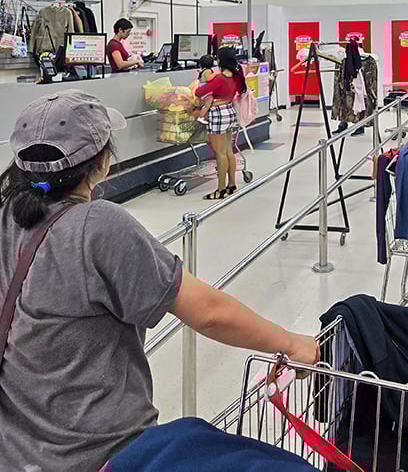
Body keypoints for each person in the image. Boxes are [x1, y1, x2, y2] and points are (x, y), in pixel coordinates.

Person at [0, 90, 319, 471]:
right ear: (103, 163)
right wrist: (291, 343)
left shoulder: (7, 216)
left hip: (17, 450)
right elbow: (209, 312)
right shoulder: (97, 226)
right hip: (97, 451)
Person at [195, 47, 247, 199]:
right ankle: (232, 185)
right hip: (230, 112)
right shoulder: (236, 77)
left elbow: (199, 92)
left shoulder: (219, 78)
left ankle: (221, 189)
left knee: (220, 154)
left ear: (220, 60)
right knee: (229, 151)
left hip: (218, 114)